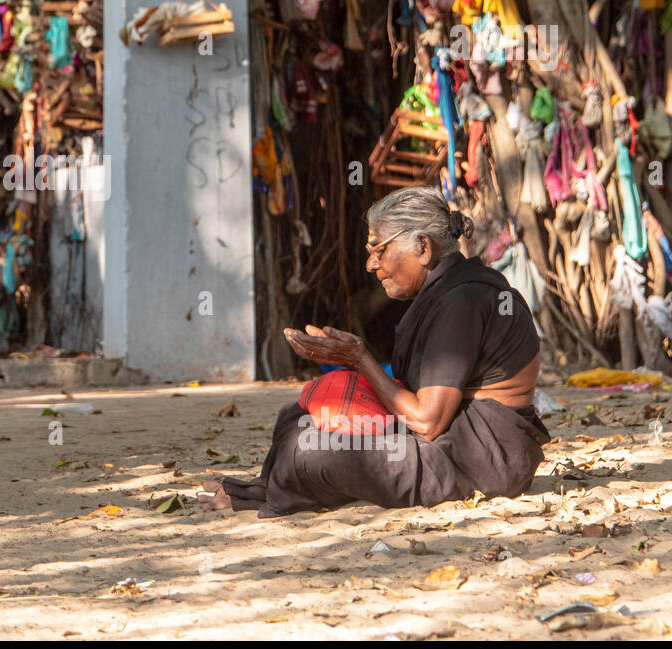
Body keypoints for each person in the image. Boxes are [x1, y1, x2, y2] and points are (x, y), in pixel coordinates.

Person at [203, 185, 550, 517]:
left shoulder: (463, 300)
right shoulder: (448, 291)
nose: (371, 265)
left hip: (481, 458)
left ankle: (268, 491)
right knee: (296, 417)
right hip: (452, 437)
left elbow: (427, 422)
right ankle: (271, 486)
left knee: (310, 451)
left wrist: (358, 358)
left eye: (379, 250)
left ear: (424, 248)